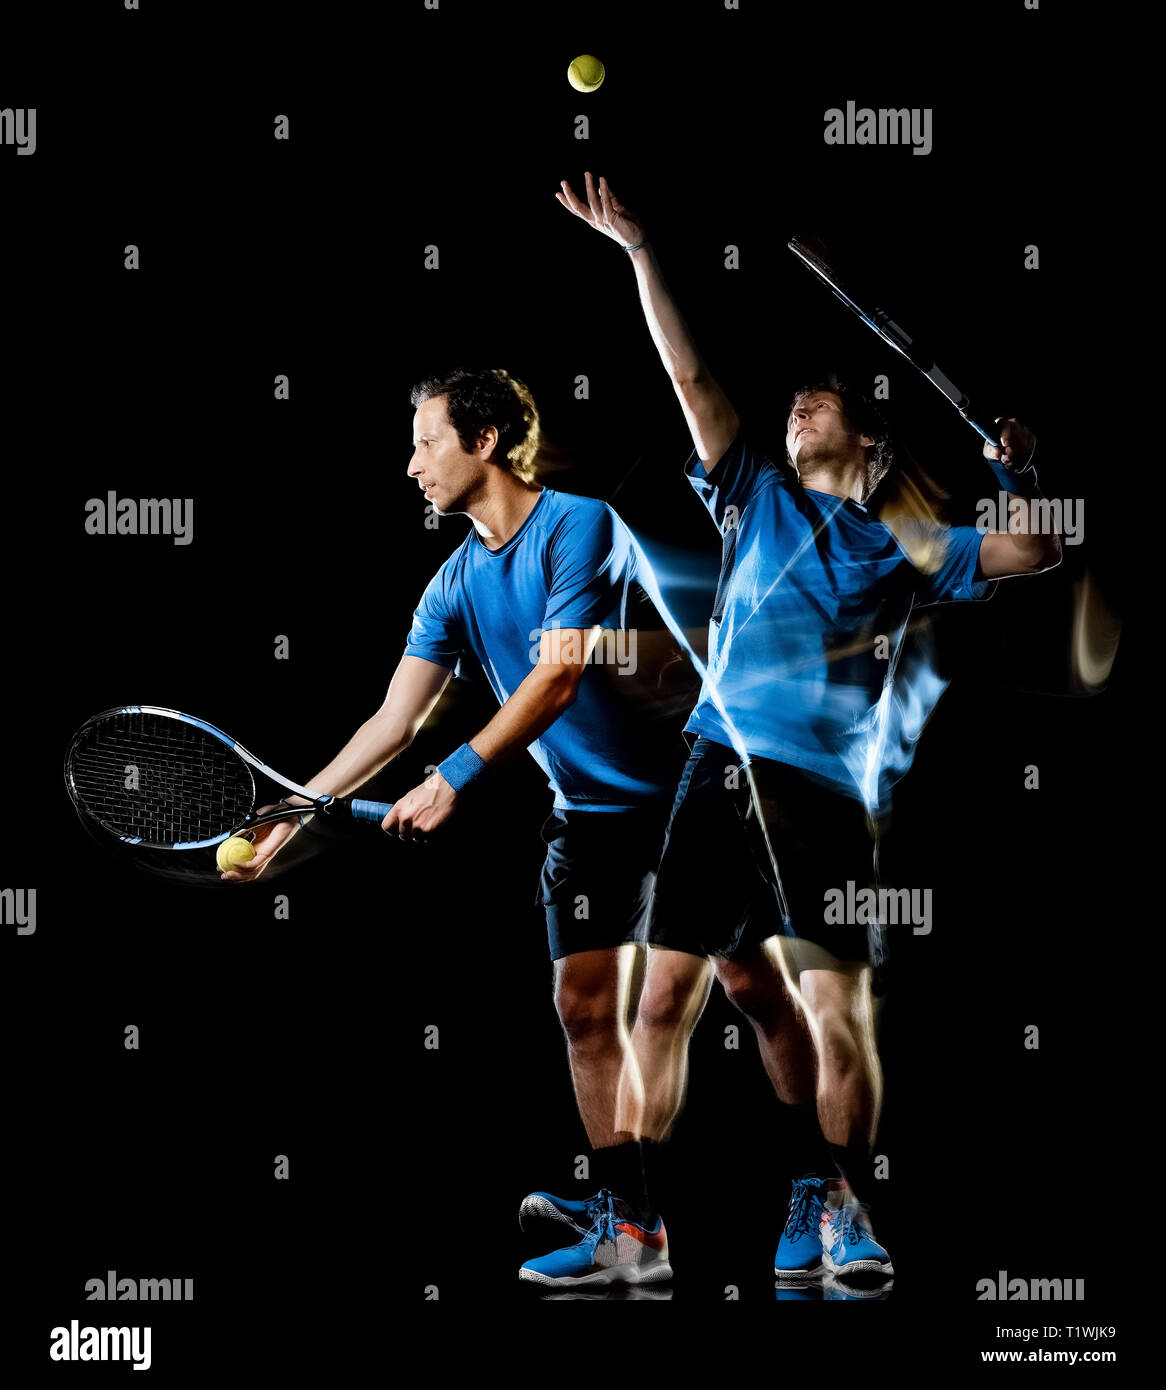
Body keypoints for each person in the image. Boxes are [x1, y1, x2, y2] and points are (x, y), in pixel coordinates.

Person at [555, 171, 1062, 1282]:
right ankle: (634, 1221)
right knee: (664, 996)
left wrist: (1016, 472)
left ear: (870, 446)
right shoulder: (749, 491)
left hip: (817, 795)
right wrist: (639, 251)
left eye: (818, 404)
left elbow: (1034, 551)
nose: (794, 411)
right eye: (791, 404)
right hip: (713, 763)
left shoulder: (903, 544)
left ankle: (831, 1210)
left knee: (836, 1010)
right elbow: (686, 372)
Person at [220, 366, 688, 1288]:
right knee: (583, 1012)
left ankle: (827, 1192)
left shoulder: (581, 525)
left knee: (721, 1003)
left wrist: (456, 776)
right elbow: (389, 725)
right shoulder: (450, 584)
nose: (410, 466)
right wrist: (293, 810)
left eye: (425, 441)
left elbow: (557, 677)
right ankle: (633, 1234)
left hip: (696, 799)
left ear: (483, 442)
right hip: (588, 819)